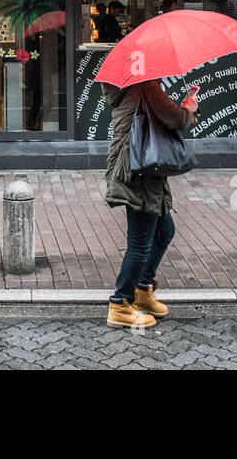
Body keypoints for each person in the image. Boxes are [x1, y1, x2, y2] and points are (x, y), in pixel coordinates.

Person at [101, 78, 198, 328]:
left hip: (141, 167)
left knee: (164, 231)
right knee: (140, 243)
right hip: (140, 171)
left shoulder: (133, 85)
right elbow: (176, 119)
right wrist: (189, 107)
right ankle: (120, 303)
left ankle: (142, 290)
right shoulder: (147, 86)